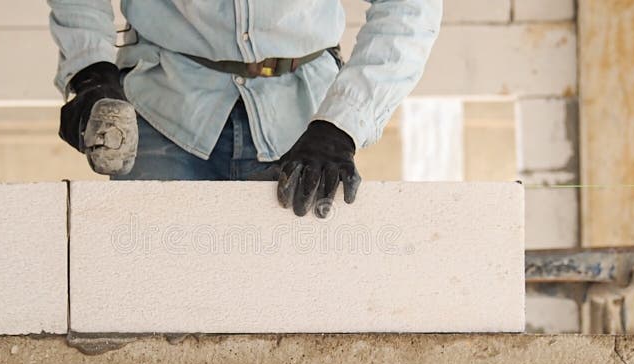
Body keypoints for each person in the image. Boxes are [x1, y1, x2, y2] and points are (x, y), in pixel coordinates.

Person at [49, 1, 441, 217]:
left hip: (307, 128)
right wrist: (90, 70)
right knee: (149, 294)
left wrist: (341, 125)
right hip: (162, 108)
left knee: (302, 307)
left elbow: (409, 7)